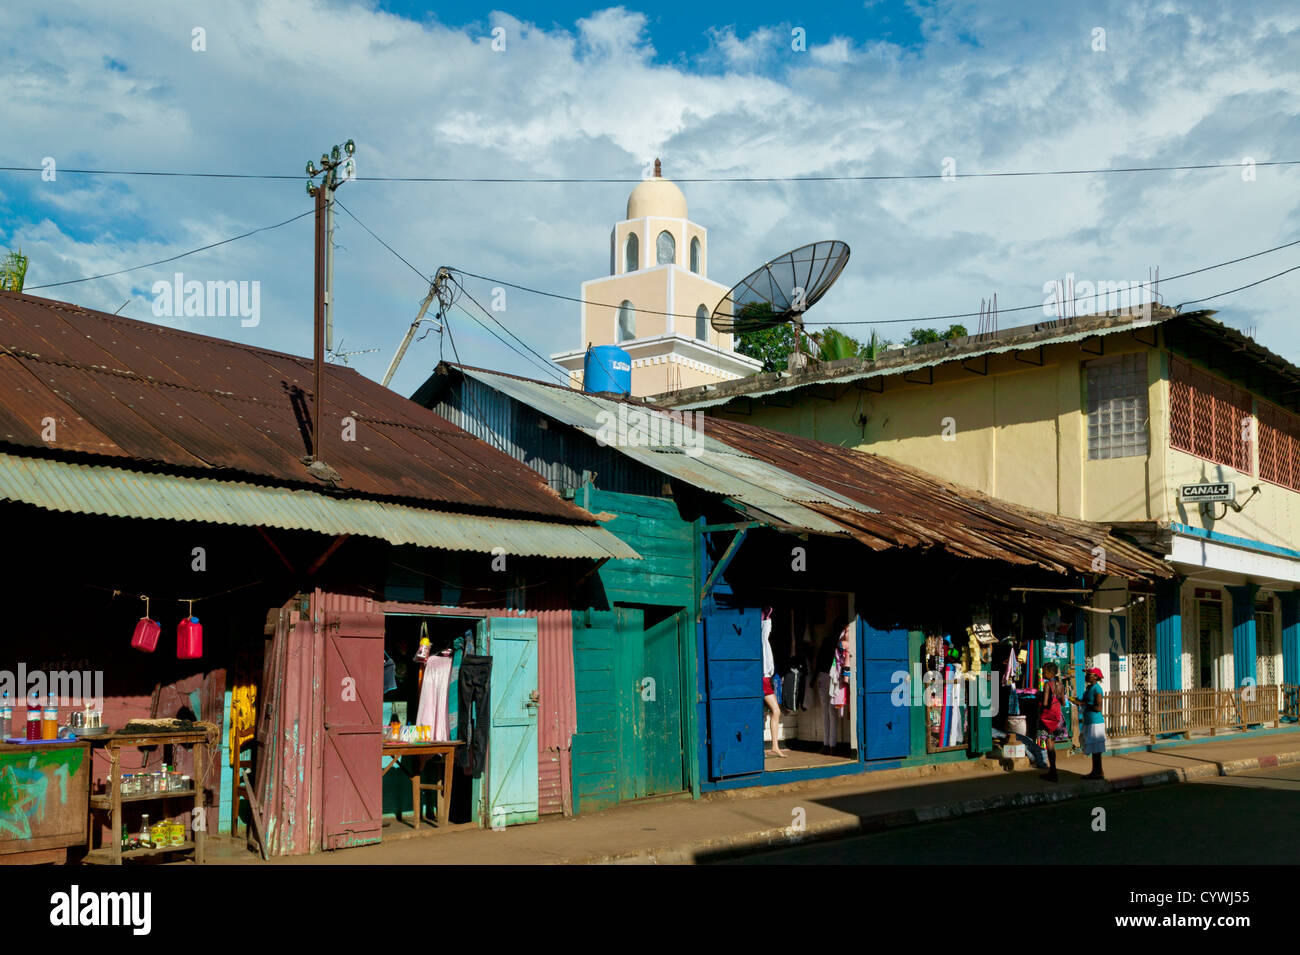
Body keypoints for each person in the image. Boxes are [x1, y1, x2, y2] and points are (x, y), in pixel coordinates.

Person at [761, 607, 787, 758]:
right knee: (772, 711)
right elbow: (765, 630)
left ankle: (775, 746)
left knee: (775, 711)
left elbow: (766, 630)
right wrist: (766, 618)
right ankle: (772, 746)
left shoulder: (764, 640)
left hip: (766, 679)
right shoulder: (761, 640)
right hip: (762, 678)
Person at [1036, 662, 1068, 782]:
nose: (1043, 673)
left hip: (1048, 718)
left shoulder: (1047, 685)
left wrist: (1039, 696)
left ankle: (1053, 771)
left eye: (1044, 671)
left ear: (1050, 673)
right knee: (1052, 744)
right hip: (1058, 717)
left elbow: (1045, 703)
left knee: (1049, 744)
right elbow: (1063, 703)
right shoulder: (1060, 685)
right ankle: (1053, 770)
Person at [1076, 667, 1106, 779]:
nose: (1086, 676)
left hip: (1095, 722)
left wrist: (1083, 703)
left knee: (1096, 750)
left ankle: (1098, 772)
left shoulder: (1097, 689)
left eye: (1089, 674)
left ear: (1096, 677)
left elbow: (1098, 708)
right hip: (1090, 721)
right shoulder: (1089, 688)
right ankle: (1096, 771)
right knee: (1094, 749)